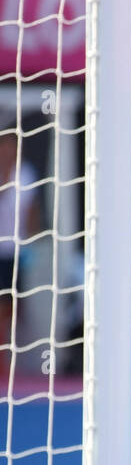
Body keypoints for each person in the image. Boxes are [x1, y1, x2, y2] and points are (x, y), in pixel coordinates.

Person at [0, 128, 40, 377]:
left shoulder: (26, 173)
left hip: (15, 251)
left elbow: (30, 211)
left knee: (12, 310)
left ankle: (6, 360)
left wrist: (30, 243)